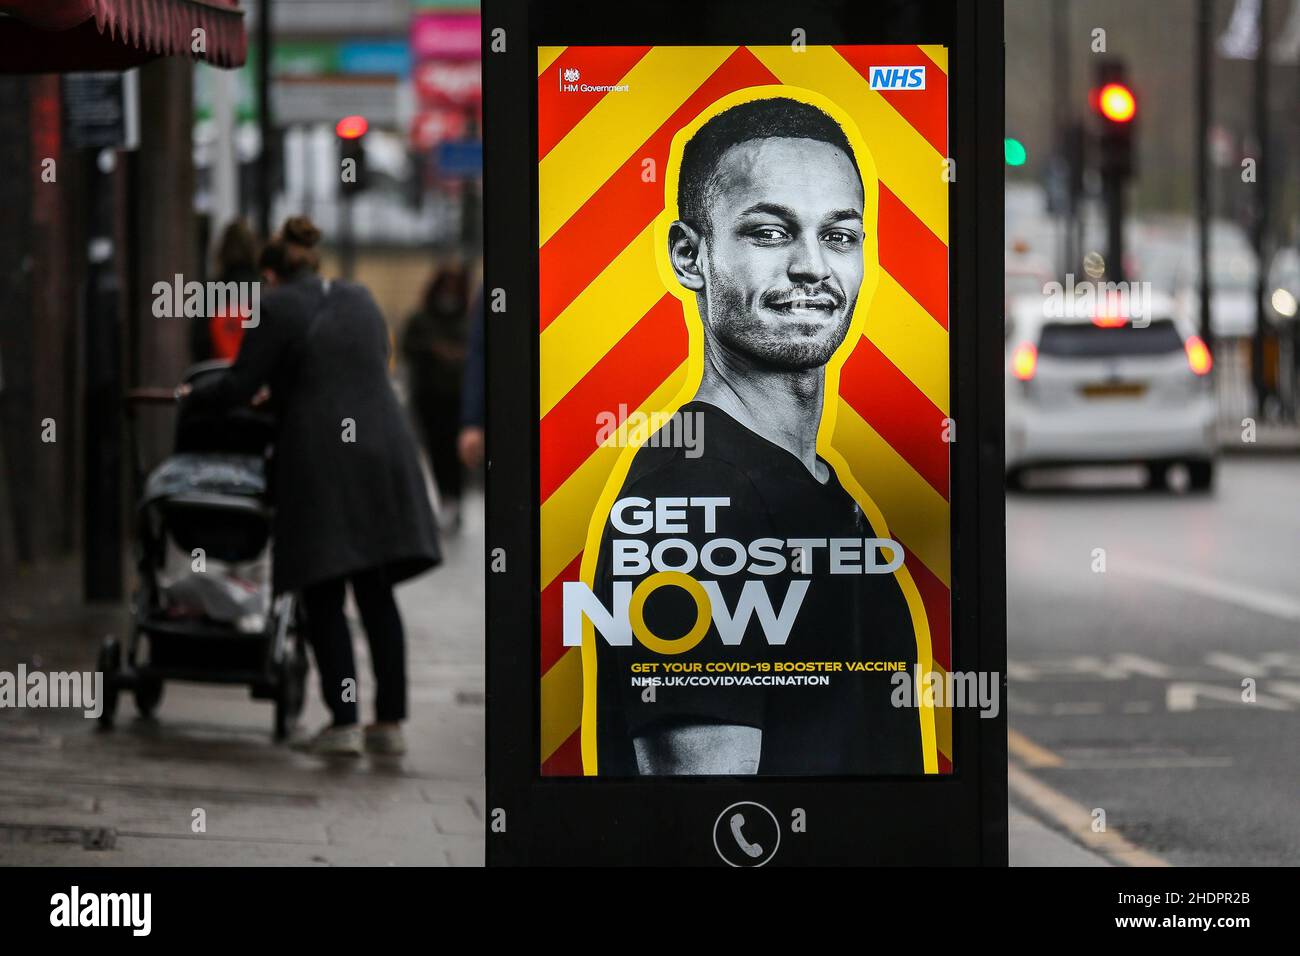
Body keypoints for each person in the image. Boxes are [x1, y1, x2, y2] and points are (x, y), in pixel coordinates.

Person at [592, 98, 922, 777]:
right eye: (771, 233)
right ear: (690, 256)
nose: (813, 268)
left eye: (839, 235)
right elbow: (712, 807)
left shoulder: (821, 485)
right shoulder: (688, 494)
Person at [182, 216, 441, 756]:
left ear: (271, 276)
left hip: (322, 461)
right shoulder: (360, 298)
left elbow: (238, 387)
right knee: (374, 589)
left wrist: (191, 394)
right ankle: (388, 722)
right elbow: (348, 374)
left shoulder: (273, 308)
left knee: (323, 588)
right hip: (384, 452)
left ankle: (343, 721)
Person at [401, 265, 471, 529]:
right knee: (436, 448)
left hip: (458, 398)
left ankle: (455, 498)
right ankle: (445, 497)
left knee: (457, 451)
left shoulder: (466, 318)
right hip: (430, 397)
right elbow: (409, 347)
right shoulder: (421, 319)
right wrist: (434, 351)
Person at [192, 219, 260, 363]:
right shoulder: (265, 291)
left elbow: (198, 342)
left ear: (222, 251)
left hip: (216, 373)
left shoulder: (210, 291)